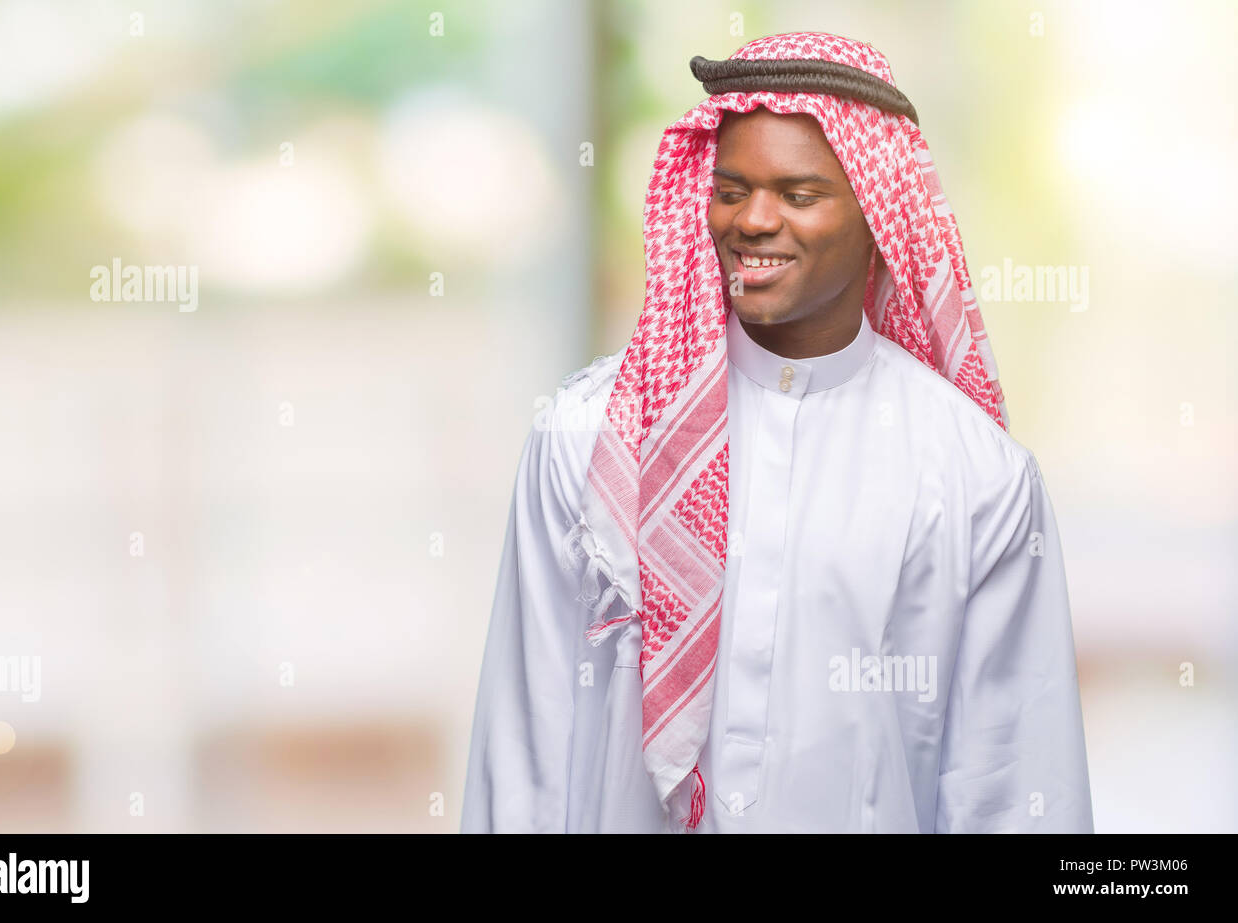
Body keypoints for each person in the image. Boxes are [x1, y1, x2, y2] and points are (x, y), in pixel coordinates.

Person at [460, 31, 1095, 833]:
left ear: (878, 216)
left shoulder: (977, 475)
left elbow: (1014, 785)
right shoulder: (586, 436)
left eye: (798, 195)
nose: (754, 221)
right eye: (732, 190)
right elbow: (524, 757)